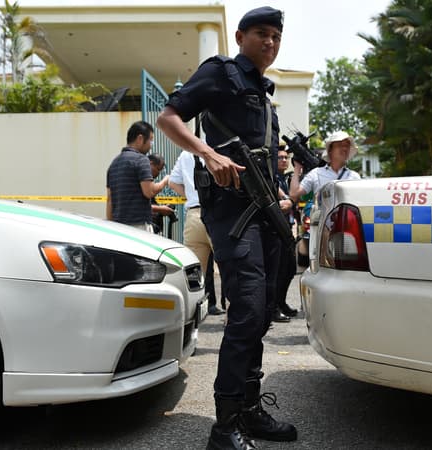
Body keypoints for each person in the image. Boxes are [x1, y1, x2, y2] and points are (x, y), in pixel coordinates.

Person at [156, 6, 297, 450]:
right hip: (230, 212)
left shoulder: (265, 93)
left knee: (265, 309)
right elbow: (169, 118)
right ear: (240, 36)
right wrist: (208, 154)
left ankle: (250, 409)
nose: (269, 42)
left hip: (264, 211)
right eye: (261, 33)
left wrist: (278, 195)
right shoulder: (220, 73)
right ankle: (225, 424)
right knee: (249, 307)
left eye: (275, 35)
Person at [168, 151, 224, 315]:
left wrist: (192, 196)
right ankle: (233, 319)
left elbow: (172, 182)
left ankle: (189, 317)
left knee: (192, 274)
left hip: (194, 215)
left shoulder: (186, 153)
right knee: (229, 270)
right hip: (218, 215)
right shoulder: (222, 147)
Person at [106, 121, 169, 232]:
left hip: (118, 226)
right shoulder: (141, 160)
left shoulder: (114, 164)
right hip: (139, 227)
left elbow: (110, 200)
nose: (151, 145)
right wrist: (164, 181)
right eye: (151, 140)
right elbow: (149, 192)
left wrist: (112, 227)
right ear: (140, 139)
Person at [289, 130, 361, 204]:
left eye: (347, 146)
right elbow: (294, 194)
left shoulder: (354, 177)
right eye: (340, 145)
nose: (344, 149)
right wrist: (297, 167)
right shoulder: (316, 174)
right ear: (330, 150)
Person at [274, 146, 298, 320]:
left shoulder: (285, 178)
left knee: (289, 269)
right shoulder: (273, 178)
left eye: (285, 157)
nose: (284, 160)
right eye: (280, 157)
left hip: (287, 228)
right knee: (278, 269)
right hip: (275, 228)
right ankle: (273, 307)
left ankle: (281, 302)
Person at [148, 153, 176, 235]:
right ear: (151, 163)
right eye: (157, 169)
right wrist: (164, 181)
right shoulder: (141, 178)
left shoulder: (148, 180)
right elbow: (141, 206)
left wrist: (162, 209)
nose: (158, 173)